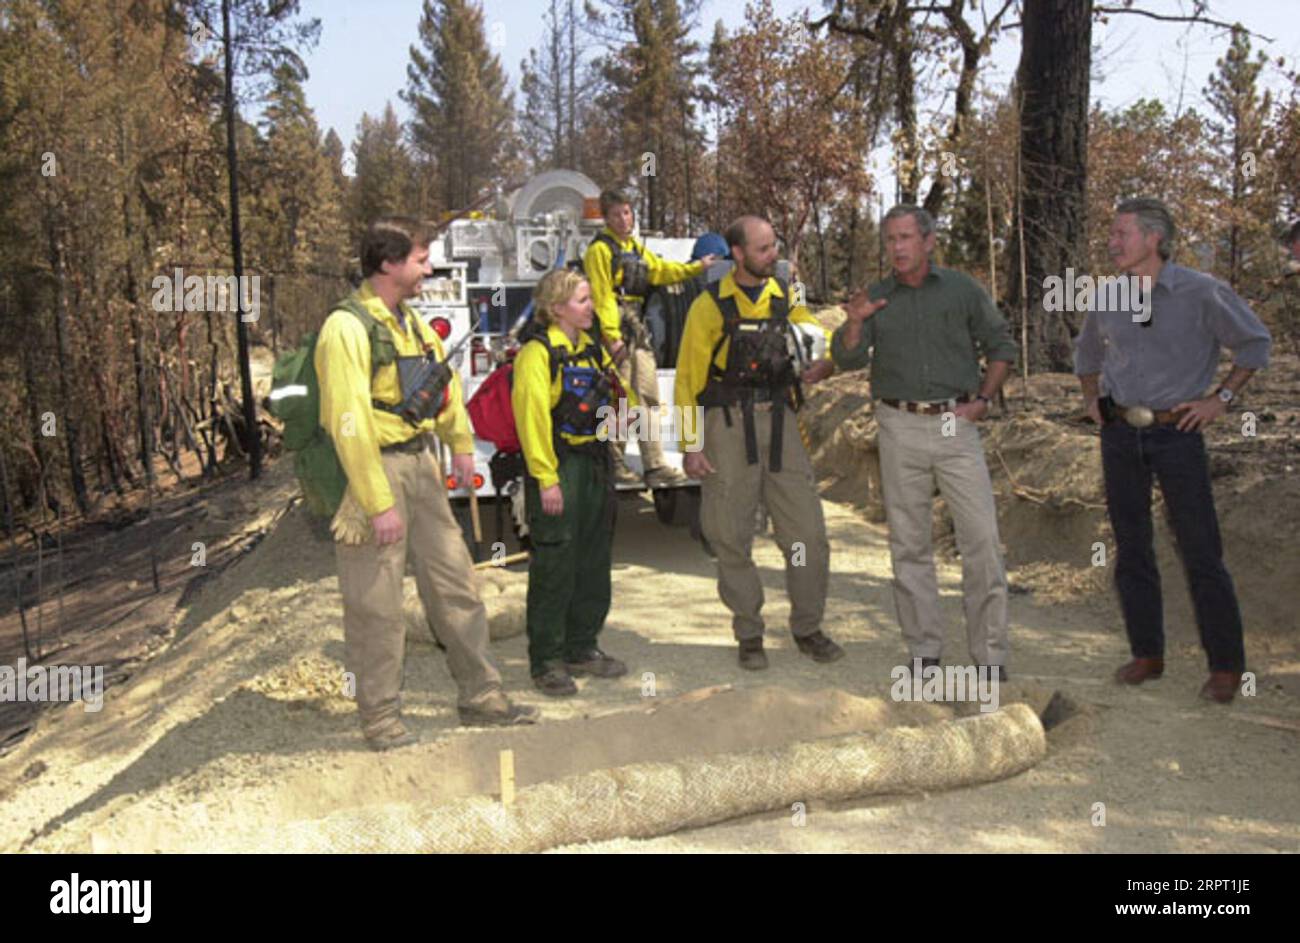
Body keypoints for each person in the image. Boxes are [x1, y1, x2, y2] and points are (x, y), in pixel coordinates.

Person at [315, 217, 537, 749]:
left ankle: (483, 697)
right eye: (420, 259)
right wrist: (376, 502)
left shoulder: (410, 324)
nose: (429, 268)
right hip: (374, 471)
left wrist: (460, 445)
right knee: (377, 605)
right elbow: (347, 422)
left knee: (457, 585)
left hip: (423, 466)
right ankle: (382, 720)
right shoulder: (345, 330)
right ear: (388, 264)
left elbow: (443, 388)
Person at [1074, 197, 1271, 703]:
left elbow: (1255, 344)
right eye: (1111, 234)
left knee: (1201, 549)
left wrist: (1220, 400)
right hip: (1120, 435)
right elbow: (1088, 354)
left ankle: (1226, 666)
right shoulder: (1108, 296)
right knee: (1131, 546)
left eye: (1122, 233)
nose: (1112, 242)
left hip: (1177, 433)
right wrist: (1092, 399)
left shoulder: (1202, 292)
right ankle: (1147, 654)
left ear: (1153, 238)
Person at [831, 204, 1018, 681]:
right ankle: (924, 653)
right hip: (898, 422)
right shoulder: (875, 297)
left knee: (981, 542)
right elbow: (847, 359)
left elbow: (1002, 345)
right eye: (890, 239)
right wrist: (855, 321)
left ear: (929, 241)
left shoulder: (962, 290)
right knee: (909, 544)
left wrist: (982, 400)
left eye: (906, 238)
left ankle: (990, 658)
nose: (897, 248)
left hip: (957, 421)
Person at [674, 215, 843, 670]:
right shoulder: (708, 307)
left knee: (807, 534)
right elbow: (688, 381)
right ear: (738, 254)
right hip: (726, 426)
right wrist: (691, 445)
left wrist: (819, 353)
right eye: (764, 249)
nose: (774, 255)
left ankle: (808, 627)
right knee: (730, 534)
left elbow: (815, 338)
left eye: (775, 246)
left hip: (782, 423)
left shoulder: (787, 297)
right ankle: (749, 633)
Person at [513, 269, 627, 696]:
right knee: (555, 564)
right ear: (557, 308)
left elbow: (611, 402)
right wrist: (546, 480)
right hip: (558, 467)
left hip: (594, 465)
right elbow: (532, 420)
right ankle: (546, 660)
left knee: (593, 560)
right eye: (582, 300)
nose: (591, 306)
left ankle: (583, 646)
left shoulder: (592, 350)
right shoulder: (537, 354)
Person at [584, 188, 718, 487]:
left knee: (648, 395)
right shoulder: (599, 251)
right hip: (615, 329)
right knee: (618, 400)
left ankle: (655, 465)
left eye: (628, 212)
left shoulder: (636, 248)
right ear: (606, 218)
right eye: (617, 214)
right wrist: (611, 338)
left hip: (636, 327)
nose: (624, 219)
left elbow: (661, 271)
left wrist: (697, 267)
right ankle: (615, 464)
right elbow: (601, 296)